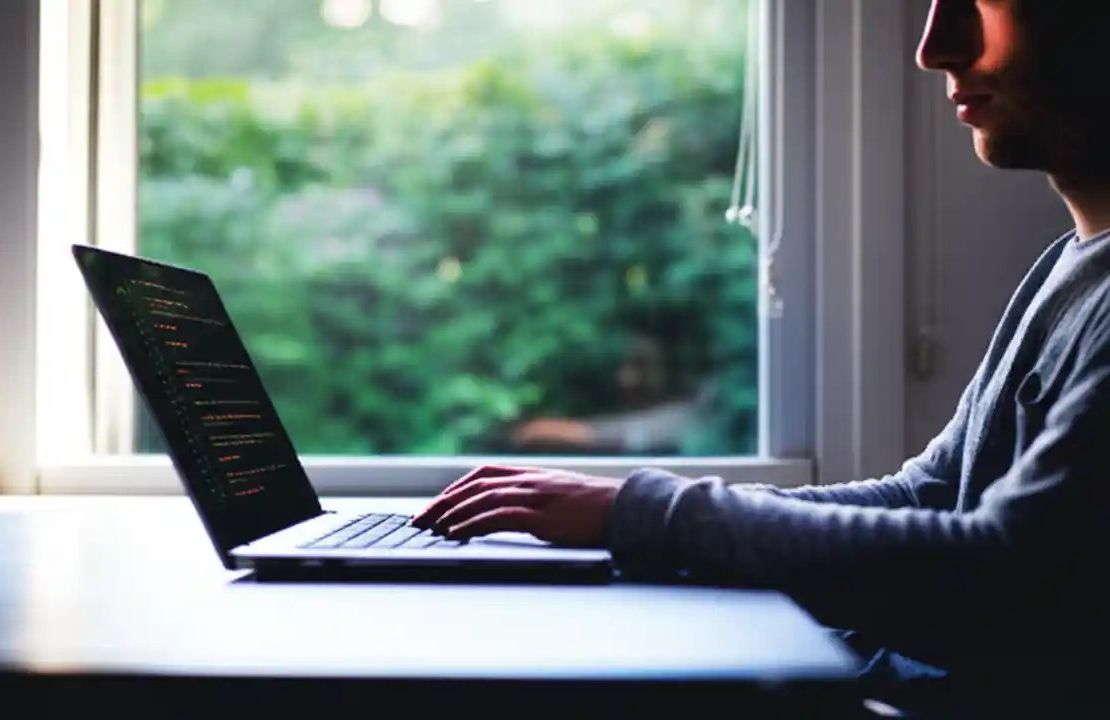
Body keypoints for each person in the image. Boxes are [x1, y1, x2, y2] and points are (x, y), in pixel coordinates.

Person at [413, 0, 1110, 712]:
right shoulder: (1071, 262)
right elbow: (925, 494)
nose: (934, 48)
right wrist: (621, 512)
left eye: (982, 4)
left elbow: (1004, 571)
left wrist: (644, 515)